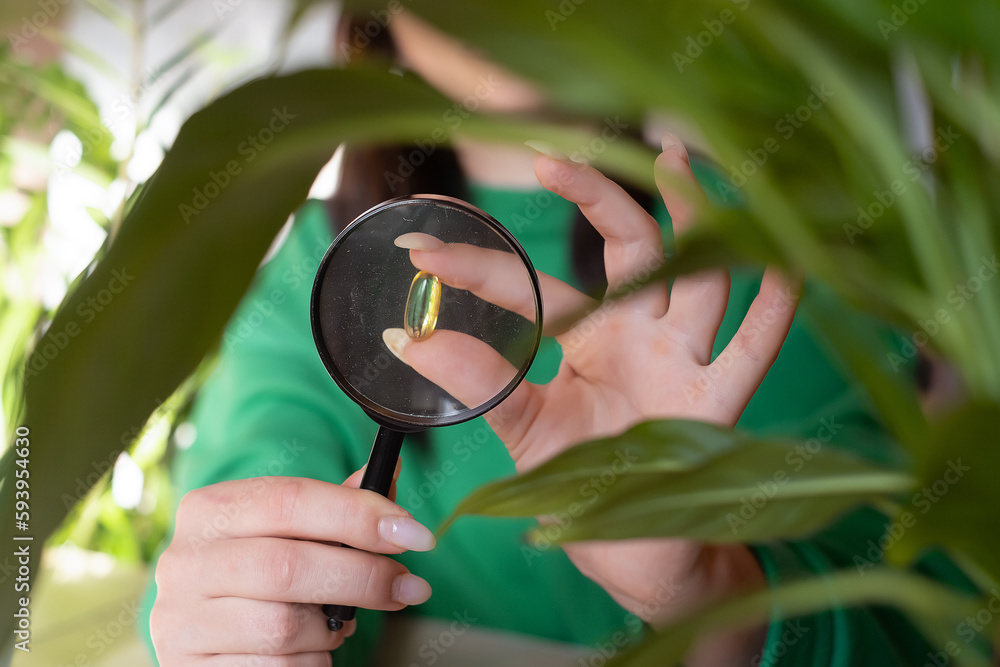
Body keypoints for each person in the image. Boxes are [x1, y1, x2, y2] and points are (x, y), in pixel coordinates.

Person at [142, 11, 975, 666]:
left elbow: (941, 624)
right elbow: (240, 519)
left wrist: (714, 597)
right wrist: (240, 615)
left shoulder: (775, 250)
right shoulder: (312, 282)